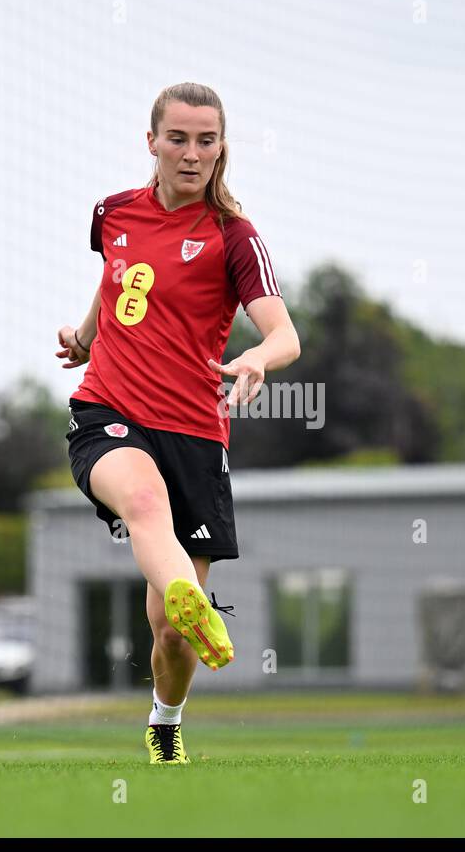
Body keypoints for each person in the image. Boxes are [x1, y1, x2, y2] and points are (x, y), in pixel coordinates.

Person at [57, 82, 301, 764]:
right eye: (179, 138)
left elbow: (285, 334)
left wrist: (257, 357)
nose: (192, 154)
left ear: (222, 147)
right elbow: (115, 281)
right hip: (108, 410)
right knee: (141, 501)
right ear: (152, 141)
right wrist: (82, 340)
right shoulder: (113, 213)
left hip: (194, 432)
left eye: (207, 140)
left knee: (169, 635)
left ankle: (165, 721)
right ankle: (194, 598)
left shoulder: (234, 236)